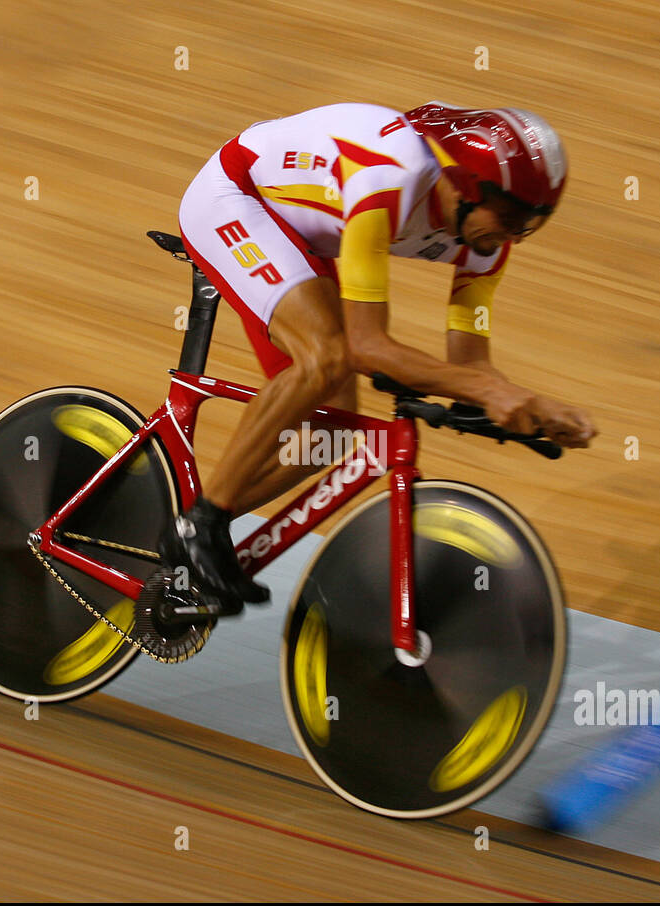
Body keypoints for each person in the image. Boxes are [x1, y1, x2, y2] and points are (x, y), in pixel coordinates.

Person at [163, 101, 597, 614]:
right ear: (463, 183)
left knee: (335, 431)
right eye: (510, 216)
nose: (514, 237)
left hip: (308, 232)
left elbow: (471, 365)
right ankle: (200, 527)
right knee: (325, 357)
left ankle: (197, 517)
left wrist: (530, 408)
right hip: (238, 198)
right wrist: (488, 391)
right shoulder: (390, 179)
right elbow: (367, 348)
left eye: (530, 224)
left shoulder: (488, 245)